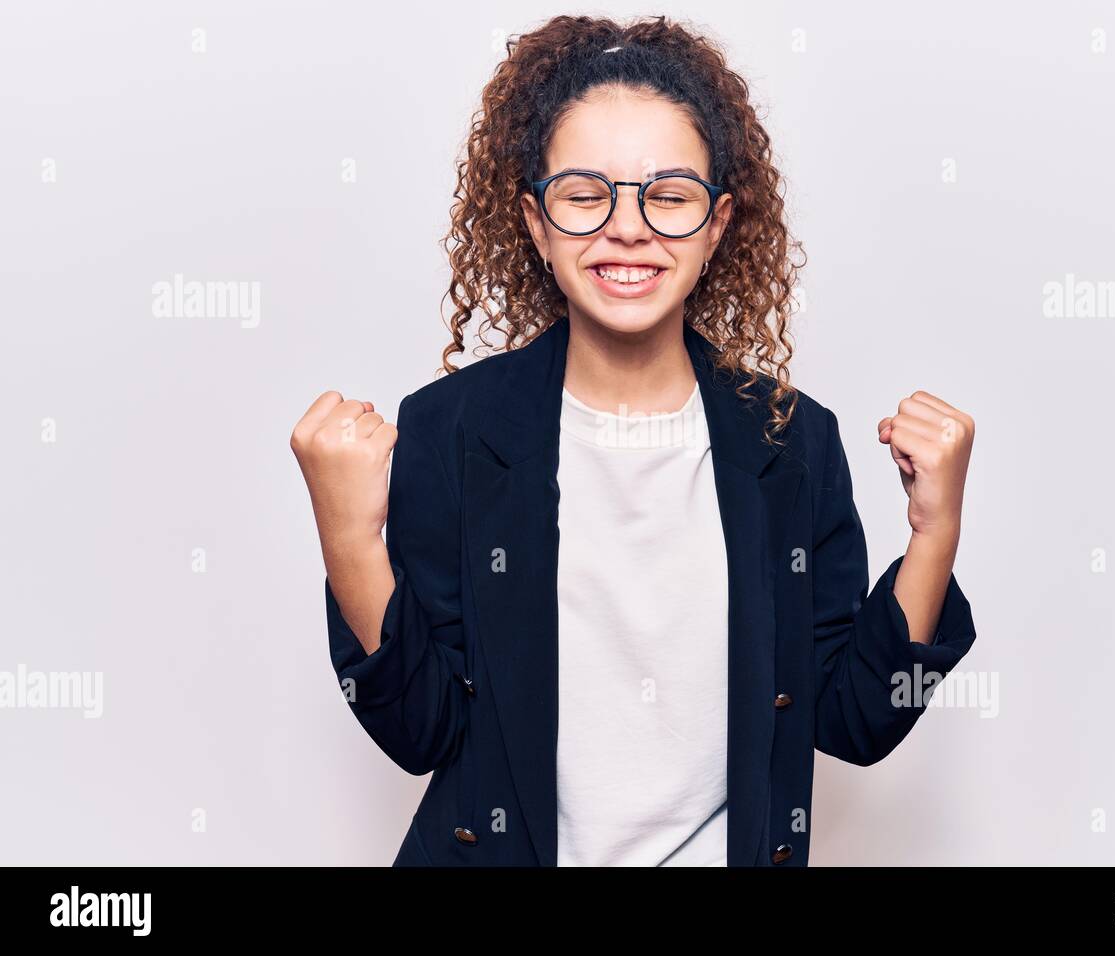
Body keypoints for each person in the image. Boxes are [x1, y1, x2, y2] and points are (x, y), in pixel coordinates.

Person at [290, 13, 978, 867]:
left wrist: (935, 532)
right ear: (536, 223)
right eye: (585, 193)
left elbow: (852, 719)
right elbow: (422, 730)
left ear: (718, 223)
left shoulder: (792, 442)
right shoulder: (452, 429)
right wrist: (350, 536)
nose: (628, 227)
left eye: (670, 195)